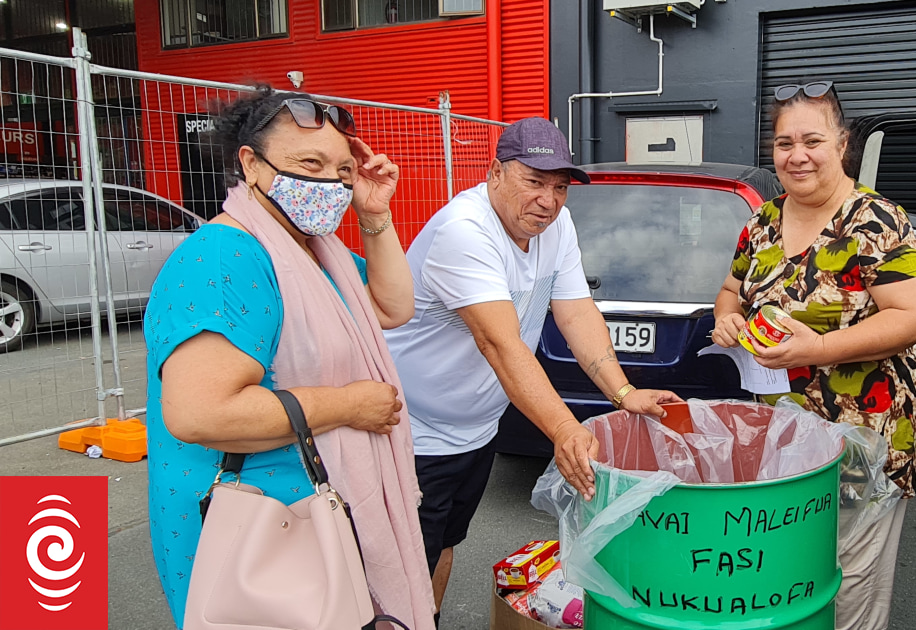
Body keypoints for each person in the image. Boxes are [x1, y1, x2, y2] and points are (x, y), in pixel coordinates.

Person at [144, 87, 435, 629]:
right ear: (251, 165)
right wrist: (348, 404)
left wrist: (374, 213)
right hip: (262, 526)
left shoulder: (313, 250)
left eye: (343, 169)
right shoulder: (223, 258)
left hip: (316, 513)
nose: (330, 182)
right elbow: (200, 414)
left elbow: (393, 307)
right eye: (310, 163)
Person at [383, 117, 682, 619]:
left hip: (475, 429)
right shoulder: (464, 231)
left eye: (560, 187)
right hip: (414, 433)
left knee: (444, 544)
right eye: (534, 181)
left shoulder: (555, 226)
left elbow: (576, 311)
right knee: (401, 564)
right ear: (495, 172)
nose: (549, 199)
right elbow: (500, 344)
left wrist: (623, 391)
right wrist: (565, 429)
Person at [711, 81, 916, 630]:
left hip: (866, 431)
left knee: (852, 577)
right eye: (785, 142)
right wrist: (726, 320)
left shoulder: (876, 220)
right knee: (794, 564)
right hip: (784, 431)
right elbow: (728, 291)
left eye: (812, 140)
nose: (797, 155)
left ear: (842, 145)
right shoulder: (761, 222)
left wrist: (818, 349)